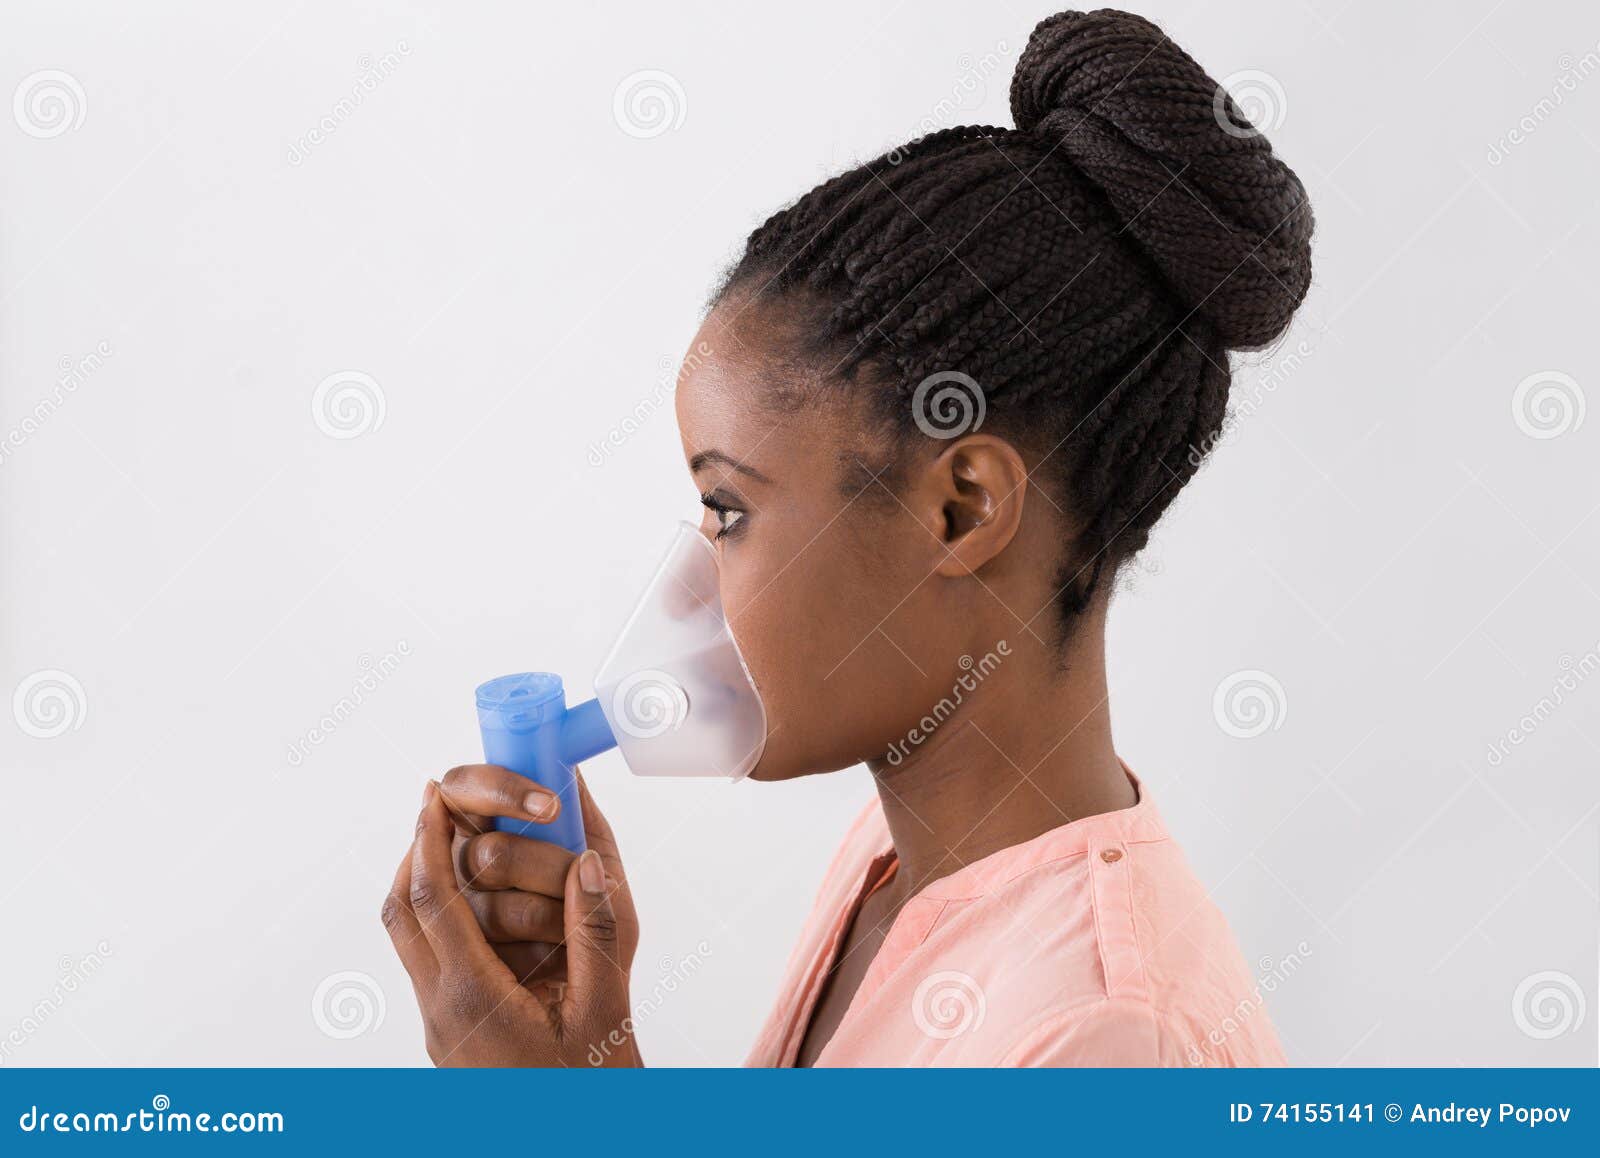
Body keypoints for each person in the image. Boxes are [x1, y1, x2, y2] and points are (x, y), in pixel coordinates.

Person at [382, 7, 1313, 1067]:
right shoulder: (901, 866)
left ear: (960, 509)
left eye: (728, 511)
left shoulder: (1099, 1040)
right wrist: (589, 1048)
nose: (690, 590)